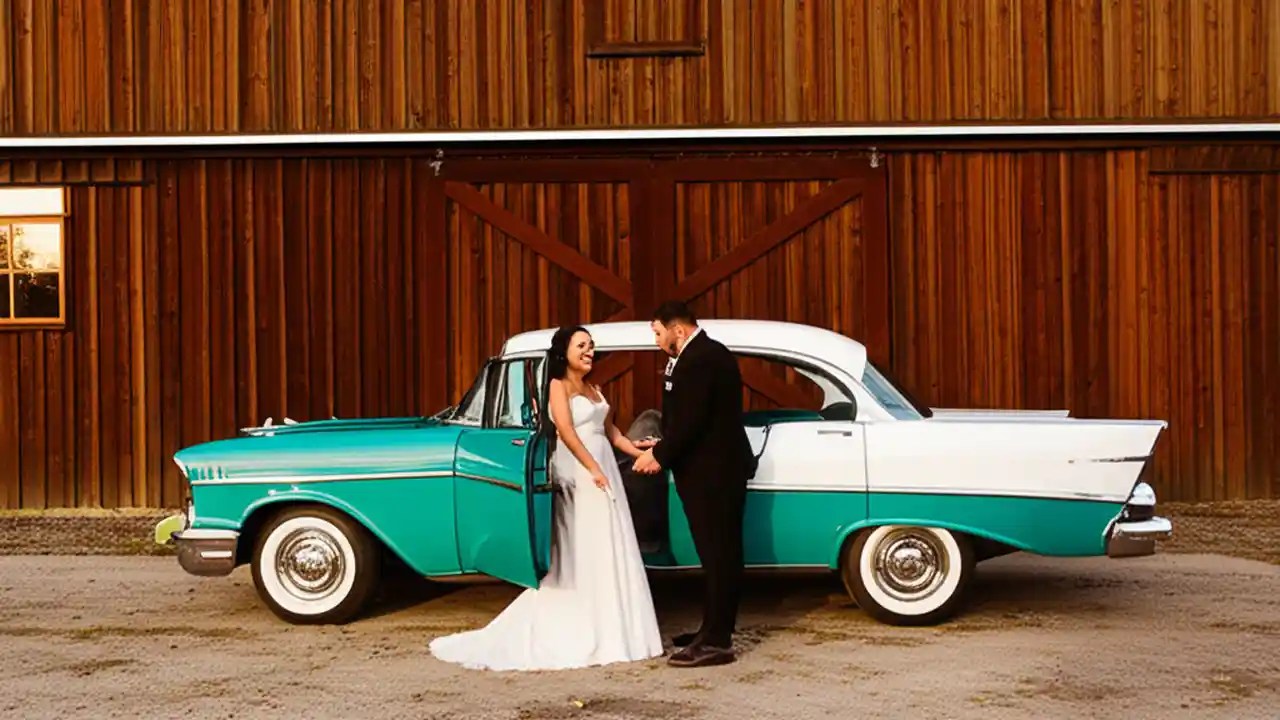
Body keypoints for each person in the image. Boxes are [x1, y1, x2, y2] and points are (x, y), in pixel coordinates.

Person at [429, 326, 664, 671]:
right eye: (581, 345)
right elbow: (567, 432)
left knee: (608, 541)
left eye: (591, 345)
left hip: (602, 466)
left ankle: (617, 628)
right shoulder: (559, 386)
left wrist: (637, 450)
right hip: (579, 470)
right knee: (582, 543)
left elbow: (610, 430)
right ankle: (583, 623)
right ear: (564, 352)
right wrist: (593, 468)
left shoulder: (594, 388)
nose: (589, 351)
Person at [633, 301, 756, 668]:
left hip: (714, 473)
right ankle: (712, 629)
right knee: (715, 554)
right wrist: (662, 443)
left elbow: (693, 420)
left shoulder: (703, 358)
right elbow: (688, 417)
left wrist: (660, 456)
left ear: (678, 330)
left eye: (658, 333)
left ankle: (717, 641)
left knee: (720, 554)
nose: (656, 342)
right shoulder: (696, 355)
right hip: (706, 469)